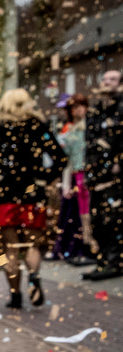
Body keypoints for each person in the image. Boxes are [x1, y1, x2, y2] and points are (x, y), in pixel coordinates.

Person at [0, 88, 68, 308]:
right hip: (33, 194)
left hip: (4, 196)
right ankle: (34, 277)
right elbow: (60, 158)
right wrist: (43, 177)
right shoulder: (38, 127)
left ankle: (14, 294)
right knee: (33, 244)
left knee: (9, 248)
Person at [84, 70, 123, 281]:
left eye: (113, 79)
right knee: (97, 220)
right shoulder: (96, 110)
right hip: (95, 176)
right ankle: (102, 261)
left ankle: (116, 261)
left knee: (114, 220)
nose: (107, 83)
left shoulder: (121, 109)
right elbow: (89, 142)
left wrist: (119, 163)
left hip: (115, 178)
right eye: (105, 79)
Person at [55, 94, 92, 264]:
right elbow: (66, 160)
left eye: (80, 106)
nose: (77, 110)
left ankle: (86, 247)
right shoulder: (70, 129)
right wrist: (66, 184)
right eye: (74, 107)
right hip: (75, 174)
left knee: (85, 212)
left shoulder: (91, 127)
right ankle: (76, 248)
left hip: (87, 174)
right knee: (75, 213)